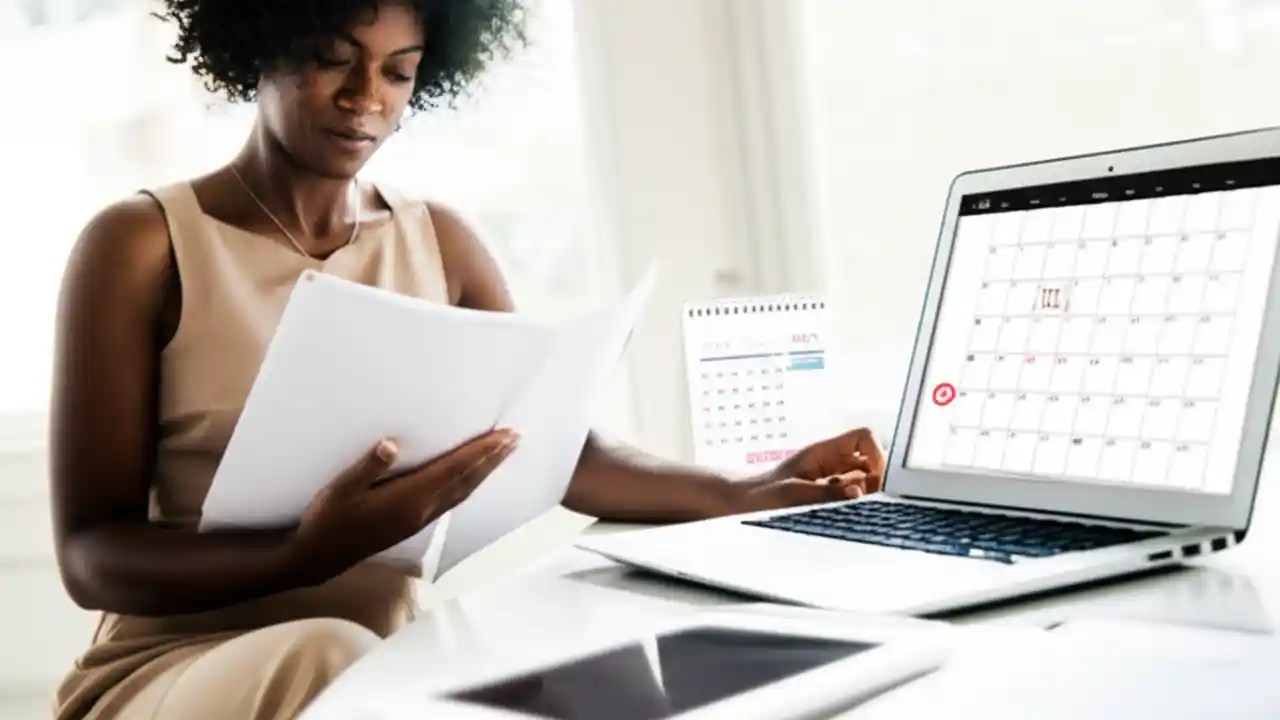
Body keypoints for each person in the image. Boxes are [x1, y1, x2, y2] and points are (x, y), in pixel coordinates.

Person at [48, 1, 886, 718]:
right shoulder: (141, 245)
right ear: (256, 43)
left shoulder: (438, 242)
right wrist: (305, 553)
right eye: (329, 60)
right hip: (176, 673)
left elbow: (563, 452)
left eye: (397, 72)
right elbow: (92, 558)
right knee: (332, 657)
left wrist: (752, 492)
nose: (363, 99)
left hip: (381, 669)